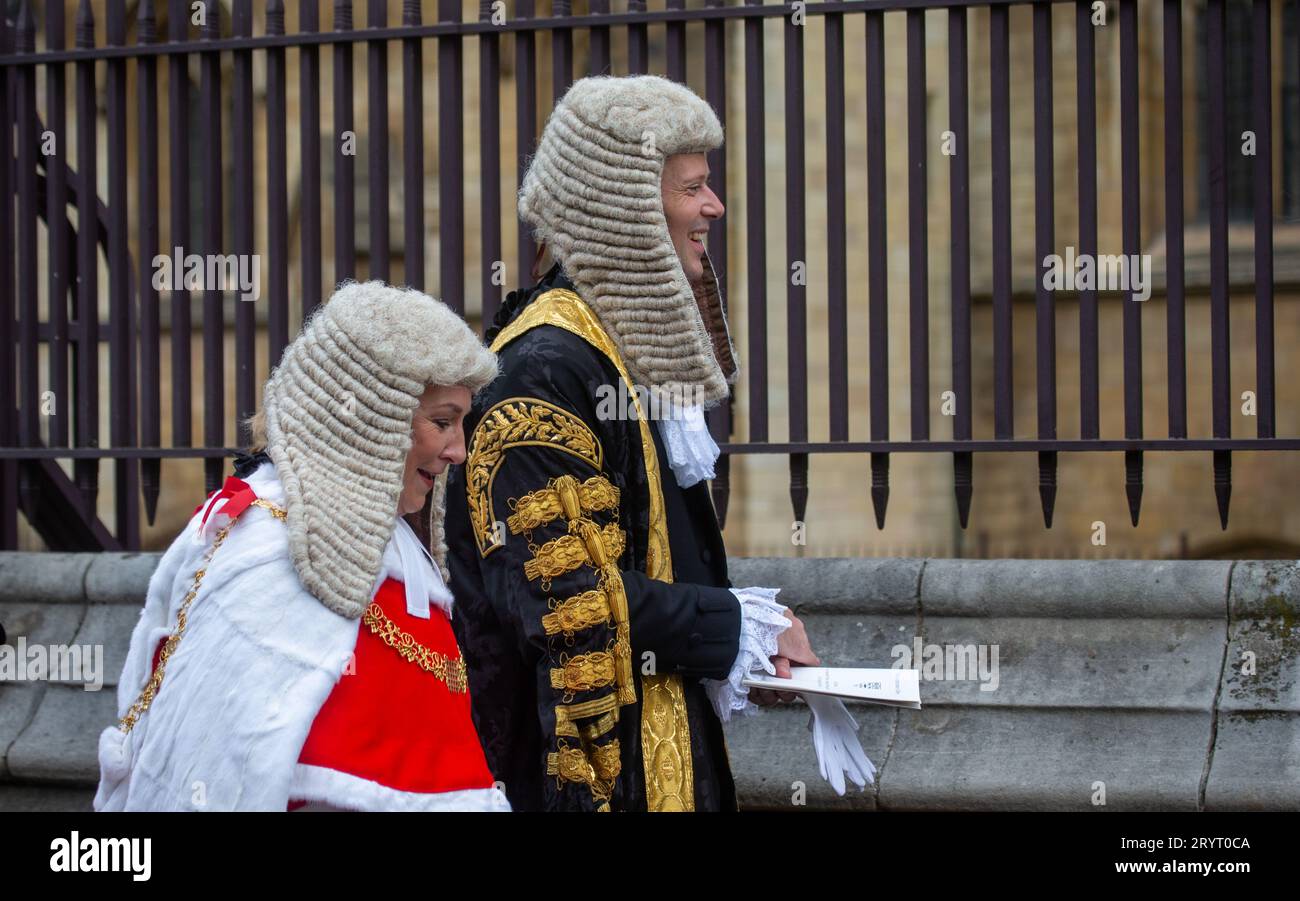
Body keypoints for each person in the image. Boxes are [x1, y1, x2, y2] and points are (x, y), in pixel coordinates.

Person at [445, 75, 872, 812]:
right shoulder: (541, 371)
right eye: (693, 188)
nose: (715, 206)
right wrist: (736, 629)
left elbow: (657, 567)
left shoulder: (617, 356)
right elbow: (567, 599)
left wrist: (744, 647)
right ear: (629, 209)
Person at [95, 281, 509, 811]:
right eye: (443, 422)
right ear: (369, 416)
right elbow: (218, 770)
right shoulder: (269, 549)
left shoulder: (389, 540)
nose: (459, 451)